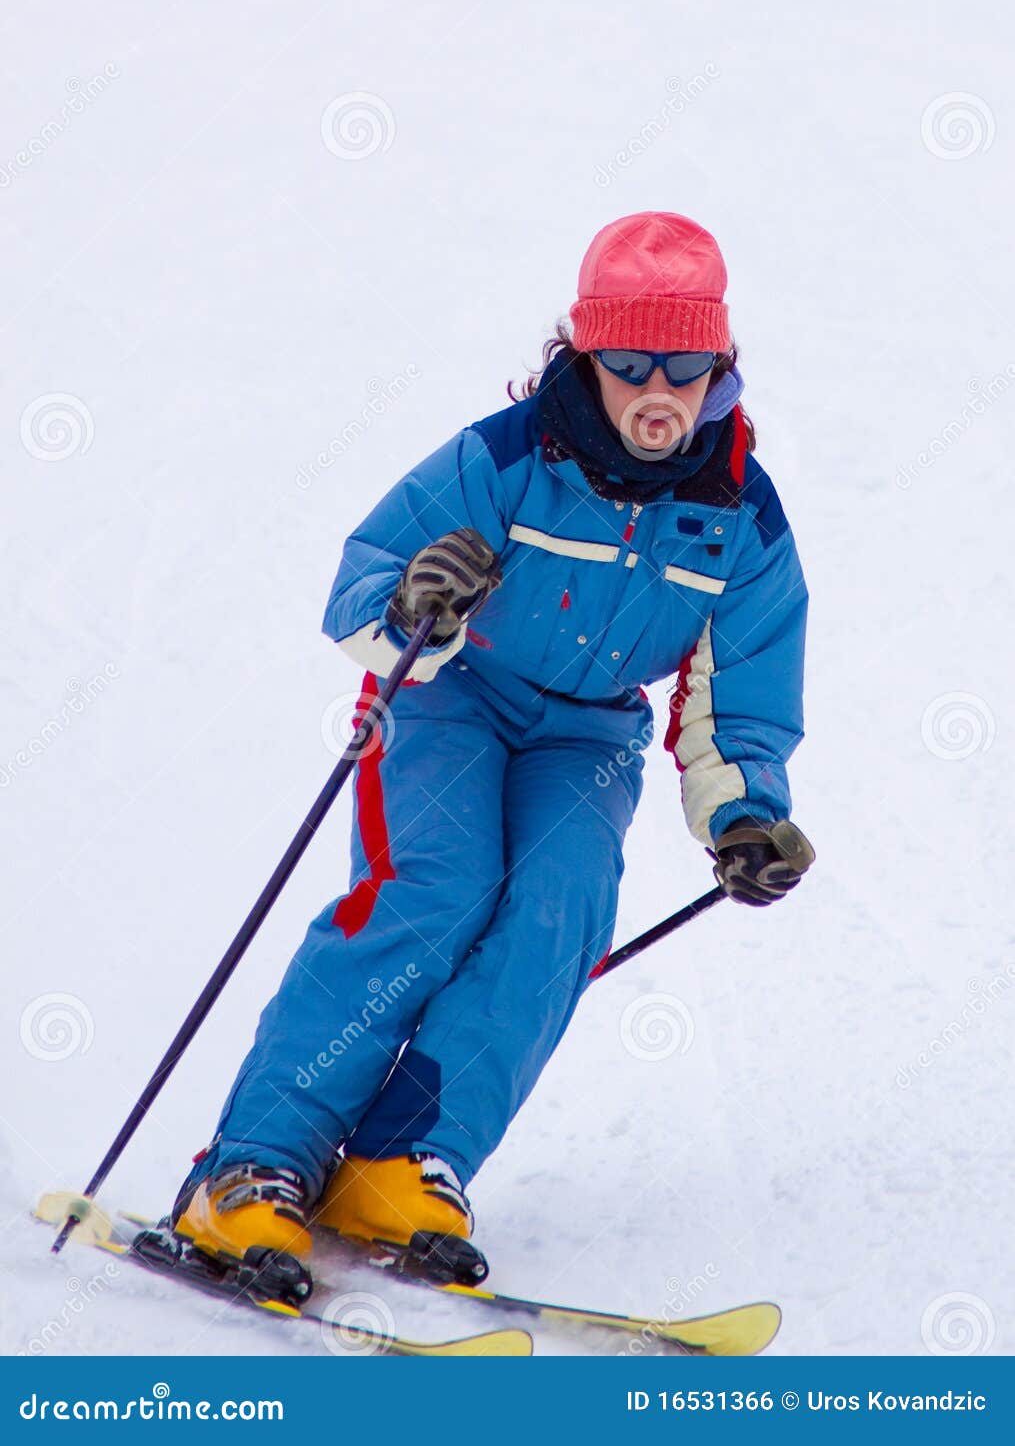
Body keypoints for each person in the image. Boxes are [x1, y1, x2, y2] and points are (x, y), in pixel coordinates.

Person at [169, 210, 814, 1289]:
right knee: (435, 888)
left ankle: (399, 1158)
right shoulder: (509, 456)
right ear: (586, 355)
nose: (660, 393)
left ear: (722, 365)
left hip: (589, 728)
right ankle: (252, 1165)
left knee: (558, 907)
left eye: (688, 366)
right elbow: (364, 584)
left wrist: (745, 811)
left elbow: (739, 693)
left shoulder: (735, 513)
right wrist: (422, 604)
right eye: (630, 363)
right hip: (451, 694)